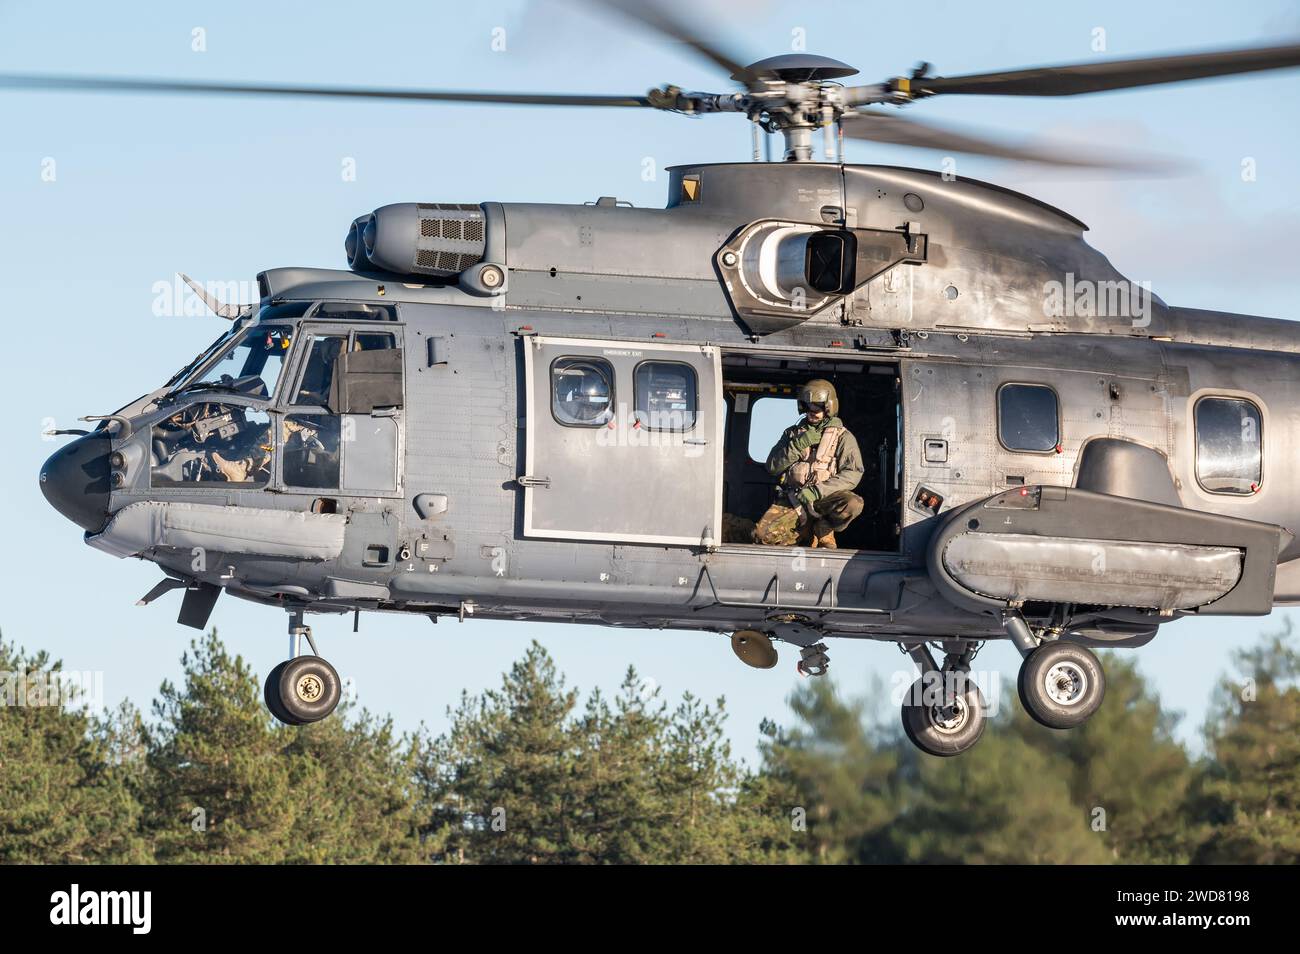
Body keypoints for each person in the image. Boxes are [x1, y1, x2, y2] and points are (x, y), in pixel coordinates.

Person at [755, 378, 864, 549]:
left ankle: (824, 527)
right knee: (762, 536)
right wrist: (797, 445)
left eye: (817, 407)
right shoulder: (792, 434)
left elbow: (853, 473)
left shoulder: (843, 437)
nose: (811, 412)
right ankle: (805, 533)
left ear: (829, 407)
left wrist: (818, 491)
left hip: (825, 498)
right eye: (807, 406)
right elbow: (772, 467)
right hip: (795, 499)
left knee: (853, 504)